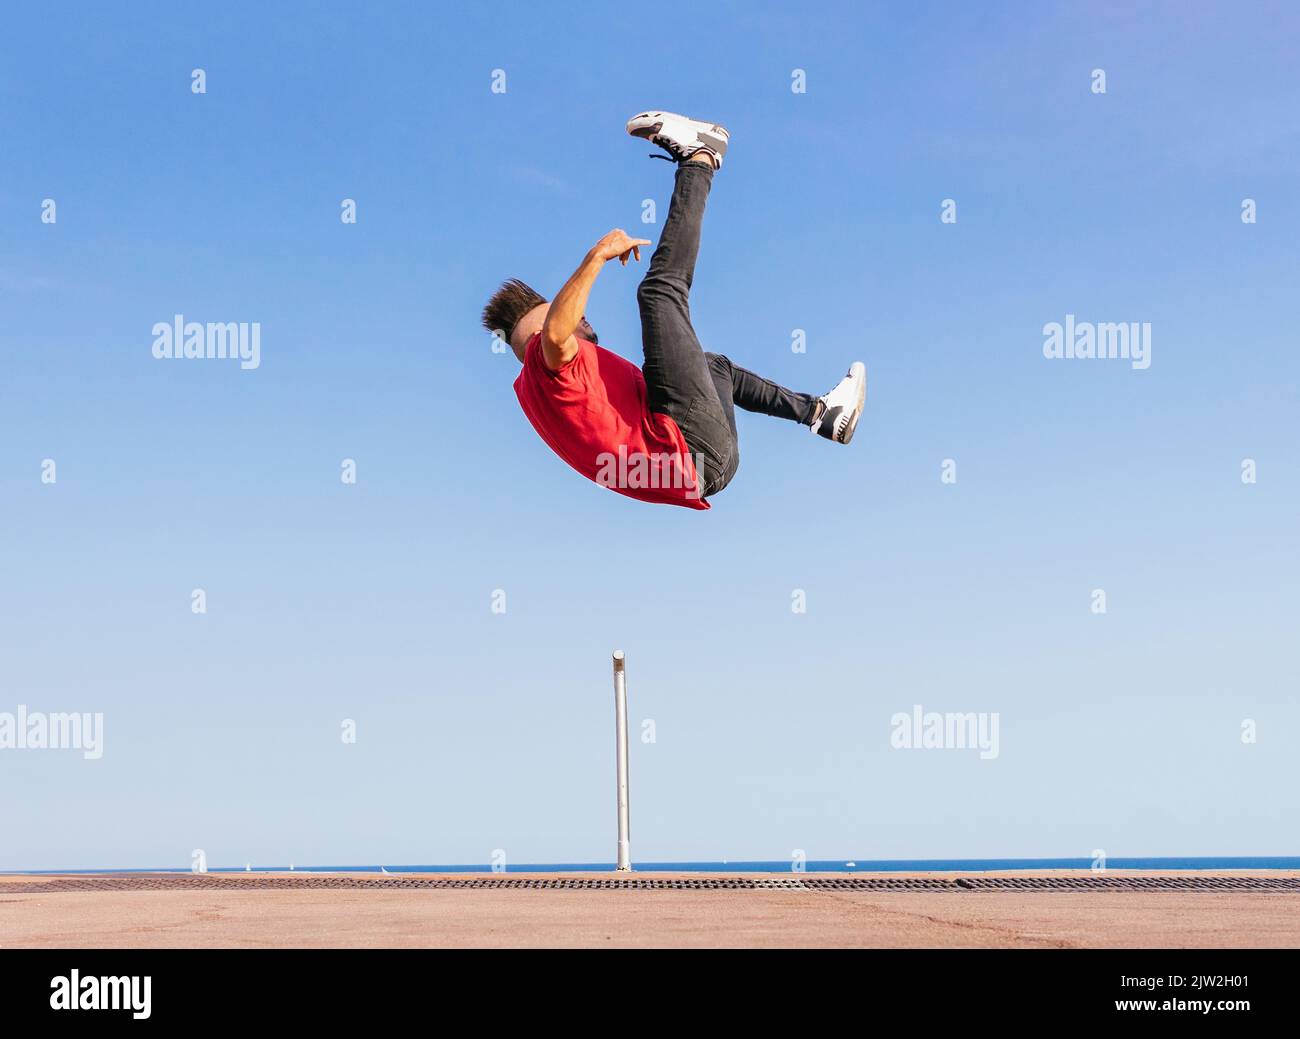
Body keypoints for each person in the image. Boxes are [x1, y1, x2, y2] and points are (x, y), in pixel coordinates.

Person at [482, 111, 866, 510]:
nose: (579, 315)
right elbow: (556, 335)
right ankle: (701, 158)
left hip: (709, 465)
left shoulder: (542, 395)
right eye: (562, 314)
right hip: (689, 444)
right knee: (659, 292)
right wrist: (596, 257)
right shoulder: (545, 365)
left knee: (713, 366)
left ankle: (822, 414)